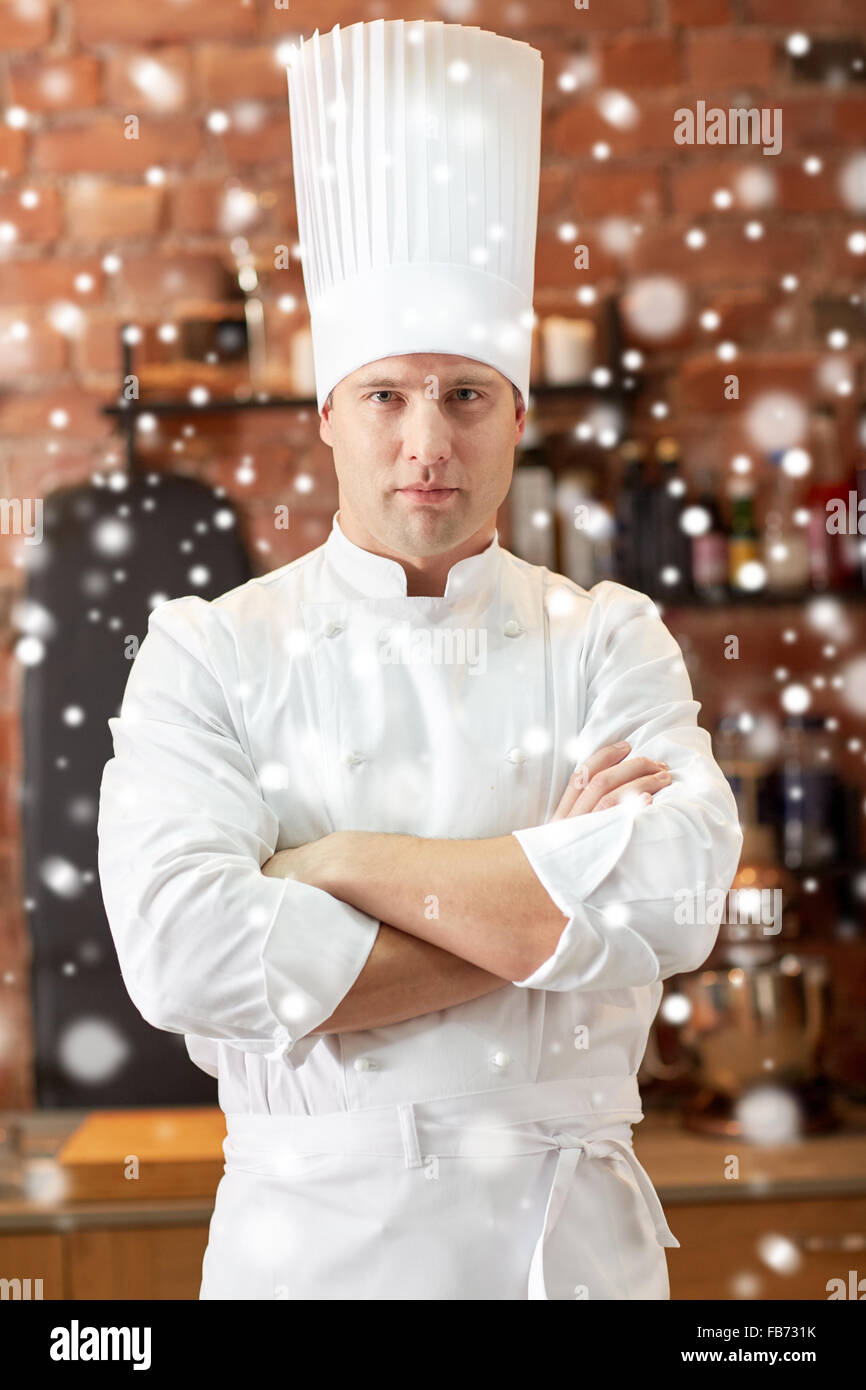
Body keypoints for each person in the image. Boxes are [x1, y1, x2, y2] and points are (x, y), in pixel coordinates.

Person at [96, 19, 742, 1301]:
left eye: (463, 395)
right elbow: (183, 954)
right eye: (387, 394)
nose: (424, 443)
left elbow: (671, 900)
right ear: (328, 414)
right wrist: (547, 900)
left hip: (564, 1255)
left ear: (517, 415)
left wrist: (334, 869)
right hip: (313, 1257)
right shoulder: (210, 649)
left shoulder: (607, 635)